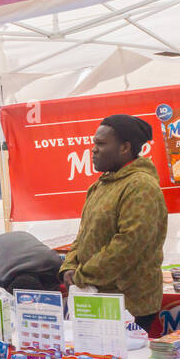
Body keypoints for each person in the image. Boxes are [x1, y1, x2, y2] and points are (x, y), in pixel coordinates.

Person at [60, 116, 168, 335]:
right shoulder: (99, 186)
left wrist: (82, 275)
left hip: (130, 304)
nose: (93, 150)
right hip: (96, 297)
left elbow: (128, 245)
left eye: (101, 144)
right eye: (94, 143)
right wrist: (69, 265)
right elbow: (84, 235)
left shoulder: (141, 186)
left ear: (125, 148)